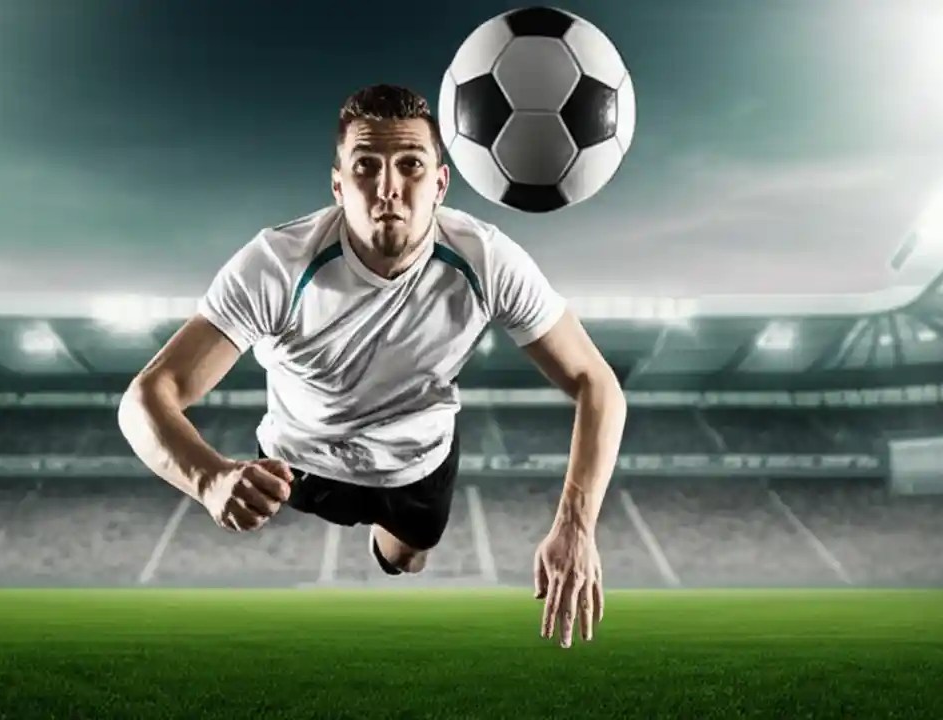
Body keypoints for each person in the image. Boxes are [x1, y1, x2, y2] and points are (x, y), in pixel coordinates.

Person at [118, 84, 627, 649]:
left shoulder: (485, 259)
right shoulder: (277, 265)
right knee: (296, 500)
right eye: (366, 166)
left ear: (439, 184)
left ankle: (391, 549)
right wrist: (210, 478)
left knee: (409, 558)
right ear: (339, 185)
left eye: (410, 164)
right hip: (298, 461)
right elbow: (146, 397)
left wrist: (577, 527)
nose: (388, 188)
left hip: (416, 461)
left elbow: (596, 382)